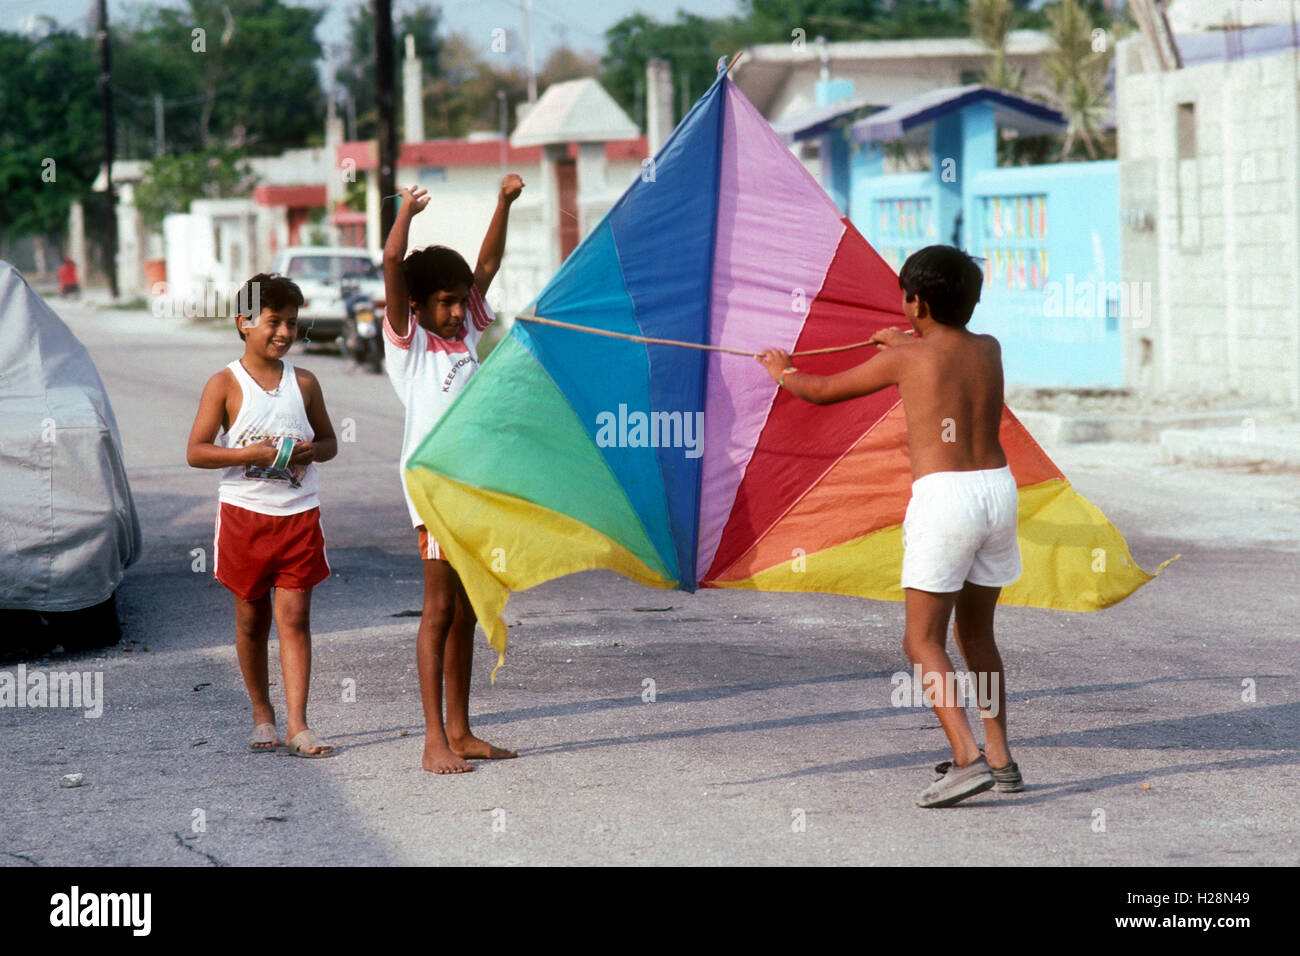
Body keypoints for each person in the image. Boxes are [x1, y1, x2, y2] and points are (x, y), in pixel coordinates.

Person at [757, 245, 1023, 808]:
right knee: (977, 635)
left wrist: (784, 372)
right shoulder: (989, 348)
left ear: (916, 303)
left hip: (945, 499)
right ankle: (999, 756)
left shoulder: (907, 359)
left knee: (920, 638)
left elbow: (823, 392)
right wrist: (906, 343)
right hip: (997, 491)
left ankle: (966, 760)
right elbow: (940, 356)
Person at [382, 176, 523, 774]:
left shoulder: (464, 329)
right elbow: (392, 260)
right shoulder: (408, 342)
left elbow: (488, 262)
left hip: (475, 486)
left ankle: (462, 730)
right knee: (438, 612)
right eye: (444, 301)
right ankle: (433, 740)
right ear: (415, 304)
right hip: (436, 489)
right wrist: (406, 215)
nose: (456, 310)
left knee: (466, 611)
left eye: (461, 300)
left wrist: (502, 204)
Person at [186, 273, 339, 757]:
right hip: (245, 517)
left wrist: (312, 452)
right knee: (252, 618)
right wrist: (247, 455)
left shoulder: (306, 382)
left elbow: (331, 442)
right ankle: (261, 714)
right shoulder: (224, 383)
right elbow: (196, 451)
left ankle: (299, 724)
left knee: (295, 618)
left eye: (292, 323)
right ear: (244, 323)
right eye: (274, 321)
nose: (284, 332)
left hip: (299, 515)